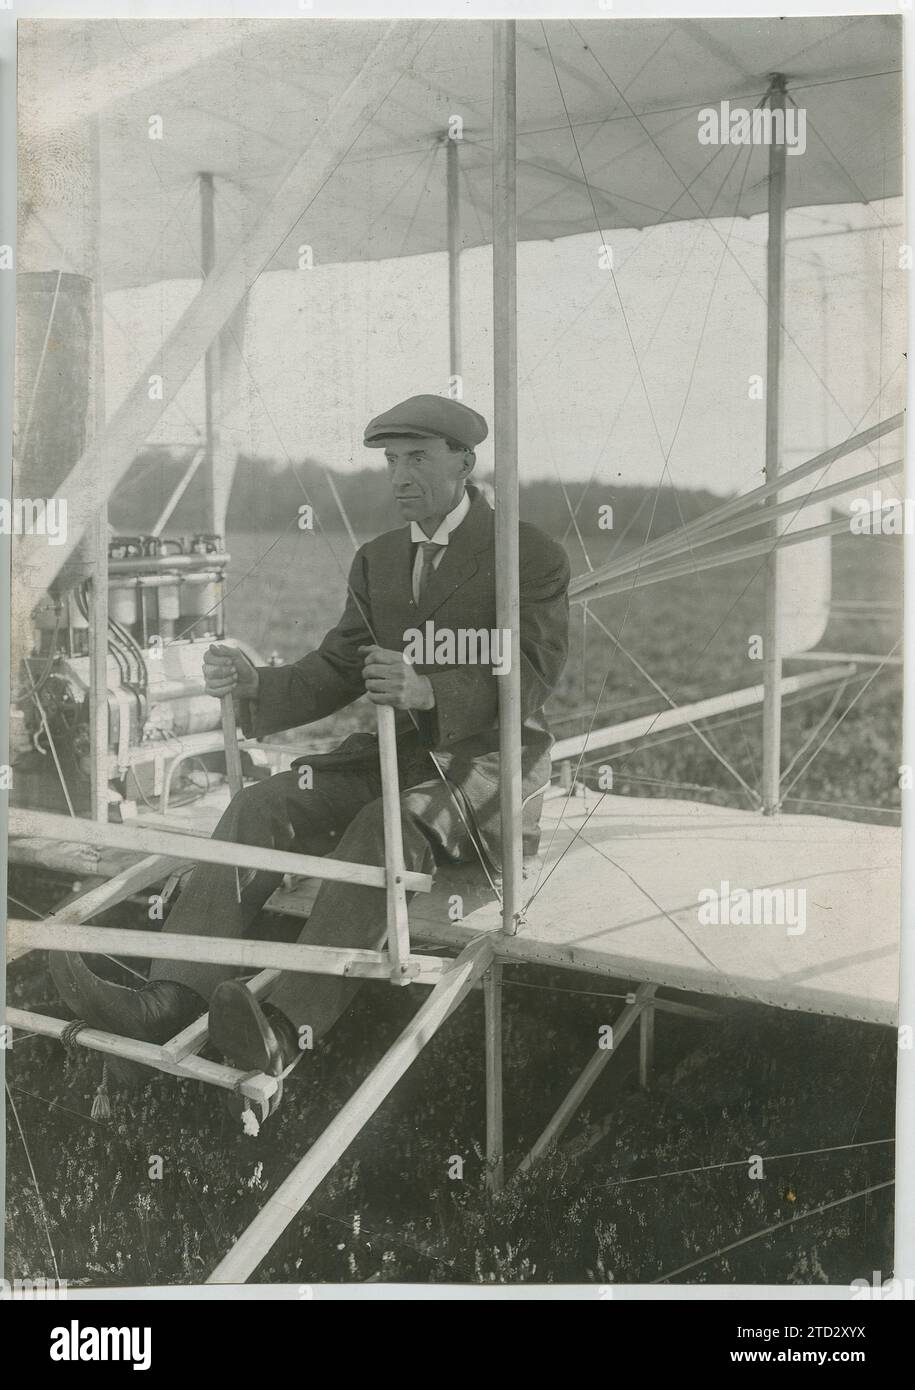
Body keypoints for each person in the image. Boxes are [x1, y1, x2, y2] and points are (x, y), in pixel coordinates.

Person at [60, 395, 570, 1117]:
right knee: (261, 802)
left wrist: (431, 689)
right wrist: (257, 684)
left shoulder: (527, 554)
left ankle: (279, 1030)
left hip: (485, 767)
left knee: (381, 827)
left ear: (464, 461)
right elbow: (337, 667)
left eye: (418, 458)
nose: (400, 476)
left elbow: (537, 670)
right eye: (391, 461)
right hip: (390, 752)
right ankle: (170, 997)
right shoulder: (380, 560)